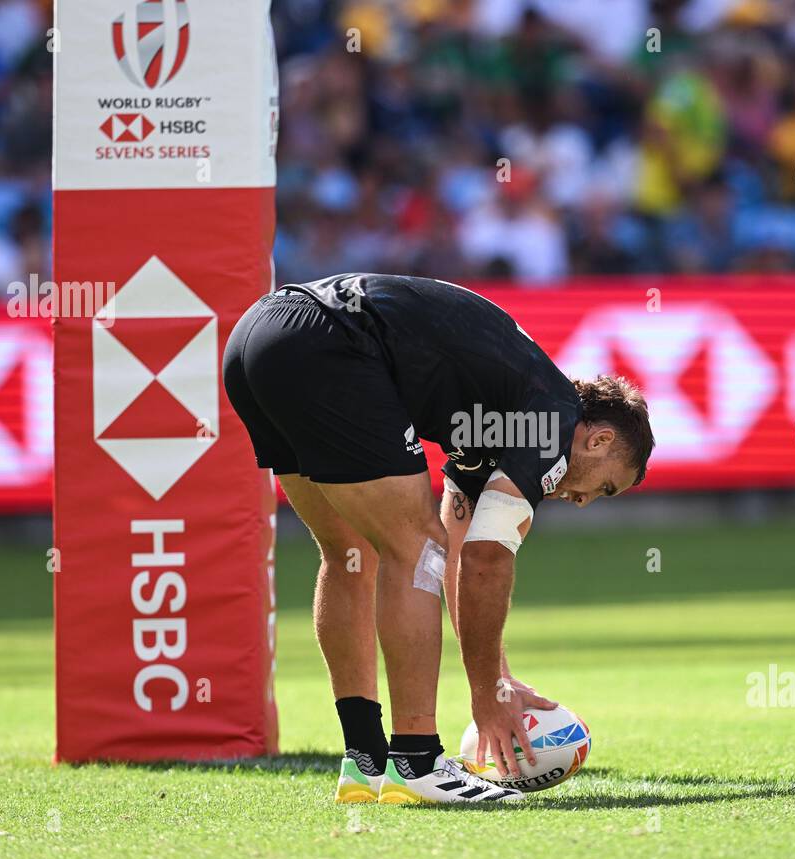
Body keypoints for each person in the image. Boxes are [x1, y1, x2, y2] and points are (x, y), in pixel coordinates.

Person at [222, 273, 654, 803]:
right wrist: (486, 699)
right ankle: (417, 763)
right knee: (412, 546)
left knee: (352, 552)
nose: (584, 500)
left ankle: (365, 763)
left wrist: (499, 676)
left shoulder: (507, 414)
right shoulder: (552, 417)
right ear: (599, 438)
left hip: (258, 337)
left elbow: (461, 553)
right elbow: (485, 561)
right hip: (333, 343)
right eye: (605, 486)